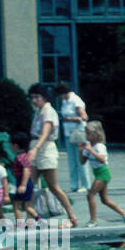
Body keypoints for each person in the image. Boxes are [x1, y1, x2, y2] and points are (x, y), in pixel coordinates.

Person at [26, 82, 80, 227]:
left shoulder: (49, 112)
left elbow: (45, 132)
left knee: (53, 186)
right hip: (36, 147)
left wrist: (36, 148)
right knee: (30, 185)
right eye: (32, 97)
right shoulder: (39, 112)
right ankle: (29, 219)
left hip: (44, 149)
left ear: (44, 97)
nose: (34, 100)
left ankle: (72, 217)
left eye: (37, 97)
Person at [79, 122, 125, 227]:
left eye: (88, 134)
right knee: (104, 200)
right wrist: (80, 151)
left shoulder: (99, 146)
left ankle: (93, 220)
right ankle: (124, 213)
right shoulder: (89, 147)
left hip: (103, 173)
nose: (86, 136)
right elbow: (82, 162)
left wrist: (91, 151)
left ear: (95, 135)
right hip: (98, 173)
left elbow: (102, 159)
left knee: (90, 195)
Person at [55, 81, 92, 193]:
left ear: (64, 92)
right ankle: (74, 184)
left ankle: (86, 184)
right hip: (68, 133)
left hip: (78, 133)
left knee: (81, 159)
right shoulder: (65, 102)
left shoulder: (75, 101)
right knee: (71, 160)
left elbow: (84, 117)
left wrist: (70, 119)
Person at [8, 132, 39, 225]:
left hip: (23, 183)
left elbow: (26, 170)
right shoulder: (24, 155)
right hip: (27, 183)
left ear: (15, 145)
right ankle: (40, 220)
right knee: (26, 206)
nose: (9, 146)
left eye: (10, 144)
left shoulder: (19, 157)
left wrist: (23, 185)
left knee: (16, 205)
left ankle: (19, 225)